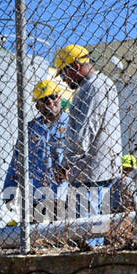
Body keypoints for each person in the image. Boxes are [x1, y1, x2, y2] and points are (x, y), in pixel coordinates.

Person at [54, 44, 123, 222]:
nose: (63, 79)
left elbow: (83, 134)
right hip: (97, 172)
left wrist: (65, 164)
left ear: (76, 67)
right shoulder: (98, 84)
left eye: (63, 73)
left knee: (88, 229)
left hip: (92, 174)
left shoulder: (93, 87)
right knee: (97, 228)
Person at [3, 79, 69, 217]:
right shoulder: (31, 129)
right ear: (37, 106)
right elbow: (16, 161)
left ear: (60, 98)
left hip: (65, 196)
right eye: (44, 99)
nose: (50, 102)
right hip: (37, 196)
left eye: (53, 96)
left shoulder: (72, 123)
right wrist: (8, 190)